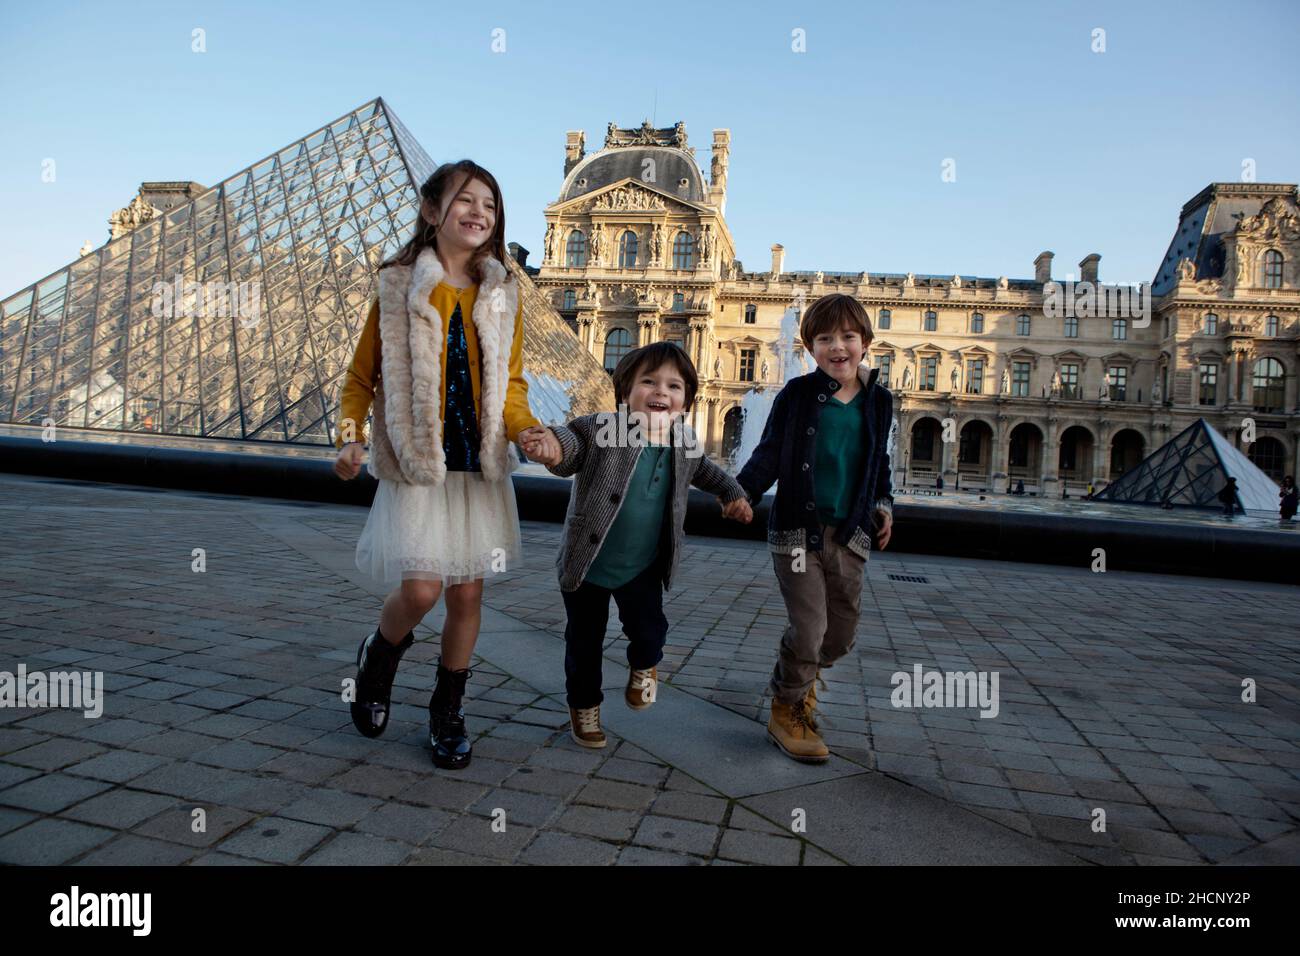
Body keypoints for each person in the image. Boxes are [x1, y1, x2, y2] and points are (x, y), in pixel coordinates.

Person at [332, 160, 556, 770]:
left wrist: (527, 430)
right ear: (433, 211)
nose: (479, 211)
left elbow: (510, 386)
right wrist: (351, 438)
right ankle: (379, 657)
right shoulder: (398, 286)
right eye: (466, 199)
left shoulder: (504, 295)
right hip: (419, 466)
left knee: (467, 594)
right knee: (423, 589)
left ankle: (447, 710)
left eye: (490, 202)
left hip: (476, 468)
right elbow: (360, 378)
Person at [524, 343, 752, 747]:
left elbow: (708, 473)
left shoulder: (684, 442)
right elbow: (570, 443)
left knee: (650, 633)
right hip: (587, 564)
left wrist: (733, 494)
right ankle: (584, 710)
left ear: (685, 401)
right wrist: (551, 447)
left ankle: (645, 666)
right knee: (583, 644)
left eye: (673, 385)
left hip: (643, 564)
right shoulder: (601, 428)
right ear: (625, 392)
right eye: (648, 382)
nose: (660, 391)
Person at [734, 294, 894, 764]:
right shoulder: (798, 395)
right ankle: (788, 707)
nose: (837, 346)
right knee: (809, 628)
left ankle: (799, 678)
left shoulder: (879, 402)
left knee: (839, 635)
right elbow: (769, 451)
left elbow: (878, 463)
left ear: (866, 343)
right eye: (824, 338)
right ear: (808, 347)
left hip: (850, 535)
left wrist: (883, 506)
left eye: (848, 336)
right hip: (797, 534)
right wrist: (739, 492)